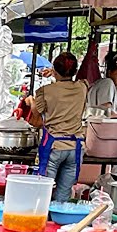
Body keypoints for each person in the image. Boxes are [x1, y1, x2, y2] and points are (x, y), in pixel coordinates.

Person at [29, 52, 88, 202]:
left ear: (55, 70)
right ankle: (59, 216)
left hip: (54, 146)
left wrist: (31, 102)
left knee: (43, 194)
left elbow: (36, 115)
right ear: (75, 70)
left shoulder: (45, 91)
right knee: (63, 196)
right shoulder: (82, 87)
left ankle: (42, 216)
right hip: (75, 147)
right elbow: (79, 79)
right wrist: (56, 72)